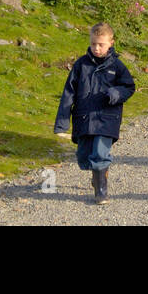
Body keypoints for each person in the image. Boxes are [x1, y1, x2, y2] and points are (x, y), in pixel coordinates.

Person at [54, 22, 136, 204]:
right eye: (93, 44)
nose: (97, 48)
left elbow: (129, 87)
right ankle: (97, 174)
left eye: (101, 44)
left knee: (100, 152)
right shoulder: (80, 65)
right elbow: (68, 94)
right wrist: (62, 122)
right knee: (84, 156)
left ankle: (101, 190)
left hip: (107, 118)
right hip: (84, 117)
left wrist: (116, 93)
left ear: (111, 43)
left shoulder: (117, 66)